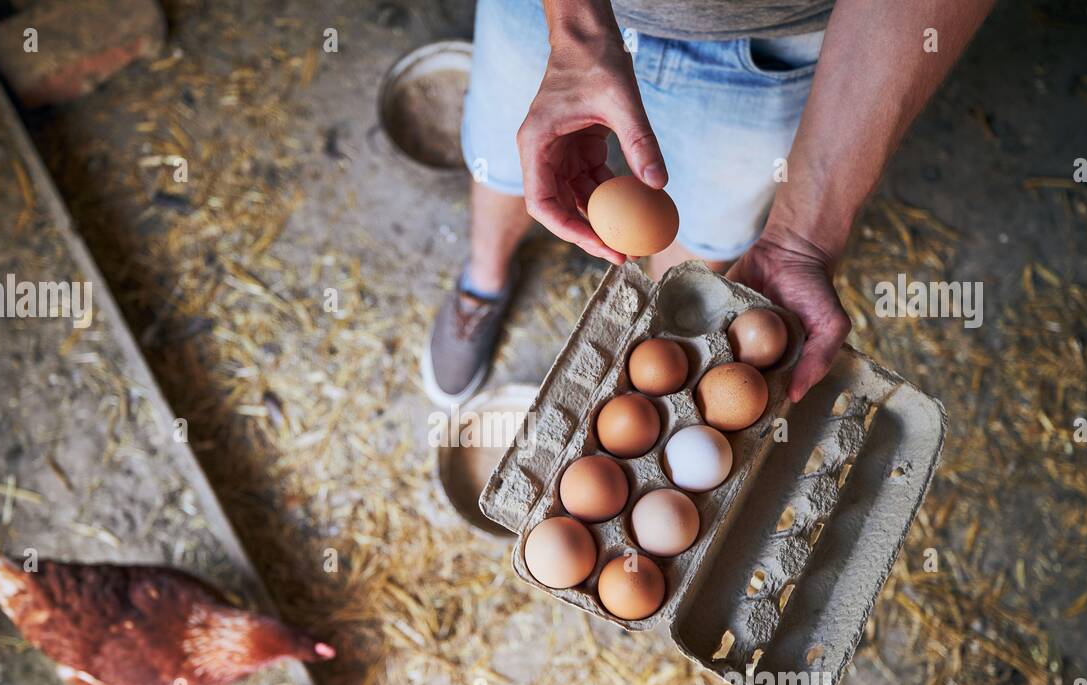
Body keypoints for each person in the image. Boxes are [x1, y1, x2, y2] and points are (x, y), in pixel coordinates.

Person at [422, 0, 993, 407]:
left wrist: (803, 241)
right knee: (511, 159)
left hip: (778, 40)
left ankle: (656, 350)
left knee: (700, 234)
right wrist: (576, 26)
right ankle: (483, 281)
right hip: (547, 13)